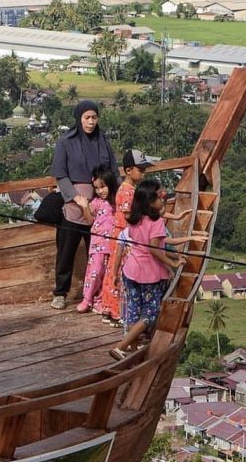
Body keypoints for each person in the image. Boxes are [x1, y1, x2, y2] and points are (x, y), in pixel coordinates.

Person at [108, 179, 193, 361]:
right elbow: (155, 249)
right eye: (160, 197)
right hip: (149, 274)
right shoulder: (156, 223)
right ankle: (120, 346)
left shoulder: (134, 219)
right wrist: (173, 262)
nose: (163, 199)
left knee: (133, 310)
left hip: (131, 270)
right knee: (149, 314)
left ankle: (132, 346)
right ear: (150, 201)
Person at [49, 100, 118, 310]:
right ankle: (61, 292)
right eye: (87, 118)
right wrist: (75, 197)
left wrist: (119, 196)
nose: (90, 122)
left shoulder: (102, 141)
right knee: (66, 251)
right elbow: (60, 174)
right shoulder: (66, 142)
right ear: (79, 119)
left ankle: (98, 295)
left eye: (94, 118)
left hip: (101, 207)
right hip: (74, 204)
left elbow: (113, 172)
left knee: (98, 252)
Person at [100, 149, 150, 326]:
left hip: (120, 235)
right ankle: (115, 311)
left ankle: (108, 309)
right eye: (141, 170)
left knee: (114, 270)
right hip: (124, 236)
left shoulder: (128, 189)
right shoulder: (127, 191)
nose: (143, 173)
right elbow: (129, 216)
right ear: (129, 171)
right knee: (119, 272)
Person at [76, 167, 118, 313]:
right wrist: (84, 207)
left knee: (107, 274)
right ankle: (87, 299)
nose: (100, 191)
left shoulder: (117, 202)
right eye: (97, 188)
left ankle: (99, 300)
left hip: (113, 246)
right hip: (98, 245)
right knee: (95, 271)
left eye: (103, 186)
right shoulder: (96, 202)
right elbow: (89, 221)